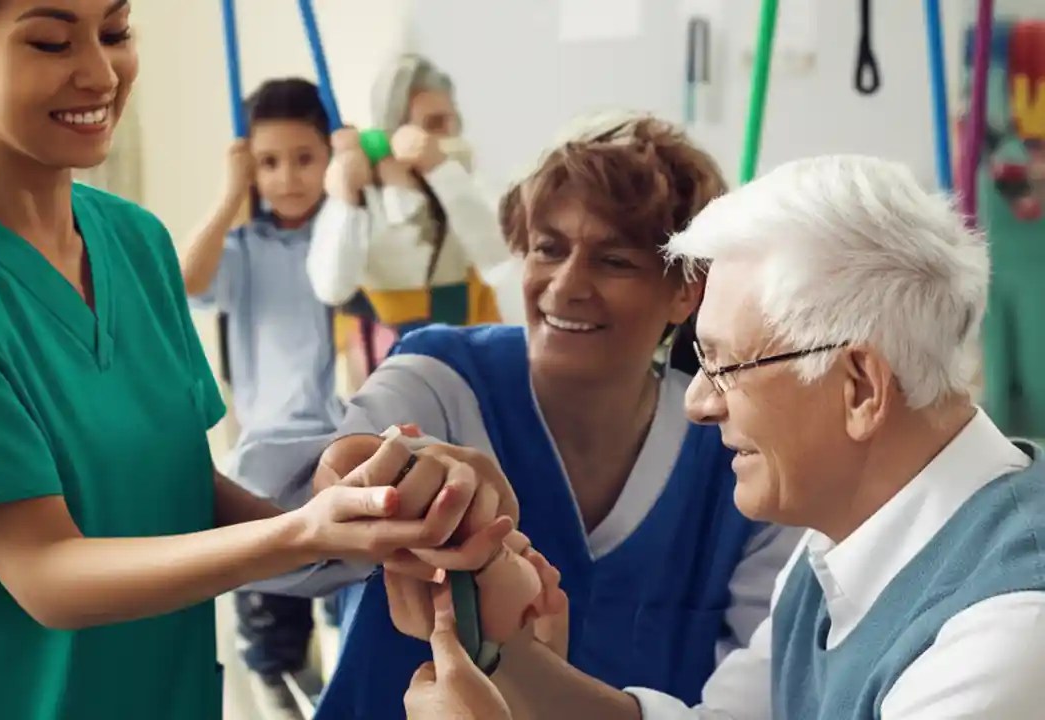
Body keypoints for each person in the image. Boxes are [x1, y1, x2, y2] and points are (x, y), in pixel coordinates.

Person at [0, 2, 512, 718]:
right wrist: (300, 533)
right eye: (51, 41)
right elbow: (46, 573)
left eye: (115, 33)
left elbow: (184, 489)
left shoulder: (136, 243)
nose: (100, 73)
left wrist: (369, 521)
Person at [401, 155, 1045, 719]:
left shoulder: (1004, 638)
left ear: (860, 389)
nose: (699, 401)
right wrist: (498, 652)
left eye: (726, 366)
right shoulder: (848, 523)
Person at [248, 116, 800, 719]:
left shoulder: (738, 455)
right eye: (549, 249)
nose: (566, 287)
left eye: (614, 261)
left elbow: (762, 693)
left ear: (685, 293)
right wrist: (358, 476)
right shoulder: (442, 378)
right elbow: (296, 497)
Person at [181, 77, 344, 718]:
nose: (288, 178)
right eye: (269, 163)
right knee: (271, 626)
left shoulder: (346, 237)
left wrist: (359, 175)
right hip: (269, 461)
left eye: (305, 159)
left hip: (347, 447)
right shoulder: (244, 249)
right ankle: (281, 693)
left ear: (330, 156)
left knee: (353, 600)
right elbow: (183, 282)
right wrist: (229, 196)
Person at [312, 52, 524, 384]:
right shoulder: (361, 193)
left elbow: (498, 259)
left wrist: (442, 171)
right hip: (385, 369)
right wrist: (347, 201)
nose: (440, 136)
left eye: (447, 121)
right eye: (429, 126)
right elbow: (332, 287)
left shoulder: (468, 184)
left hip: (468, 362)